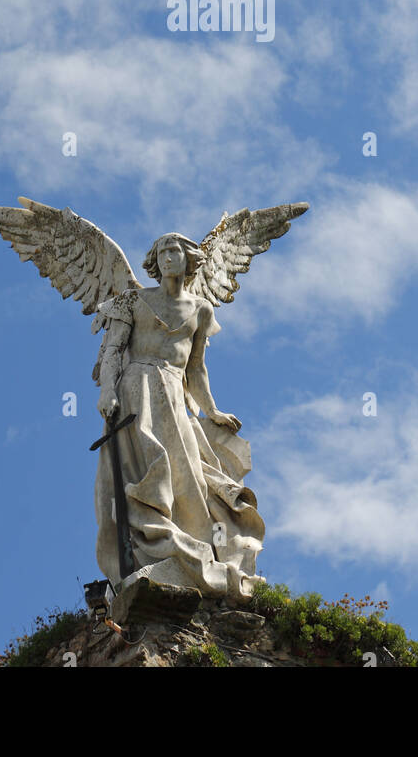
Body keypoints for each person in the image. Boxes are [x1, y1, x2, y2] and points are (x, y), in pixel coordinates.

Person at [93, 232, 264, 600]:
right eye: (162, 251)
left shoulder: (201, 309)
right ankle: (148, 549)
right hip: (136, 387)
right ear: (155, 260)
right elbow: (112, 350)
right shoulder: (133, 300)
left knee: (188, 472)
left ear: (189, 258)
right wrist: (107, 391)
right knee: (150, 468)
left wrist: (212, 410)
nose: (169, 257)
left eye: (175, 250)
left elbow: (196, 368)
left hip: (174, 393)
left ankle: (191, 551)